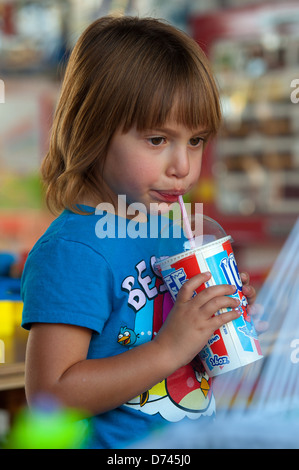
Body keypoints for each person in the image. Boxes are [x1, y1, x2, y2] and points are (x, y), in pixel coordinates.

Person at [21, 15, 257, 449]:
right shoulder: (74, 252)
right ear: (92, 130)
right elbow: (48, 396)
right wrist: (172, 346)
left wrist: (218, 316)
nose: (182, 167)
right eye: (157, 140)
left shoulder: (169, 233)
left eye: (196, 140)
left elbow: (188, 359)